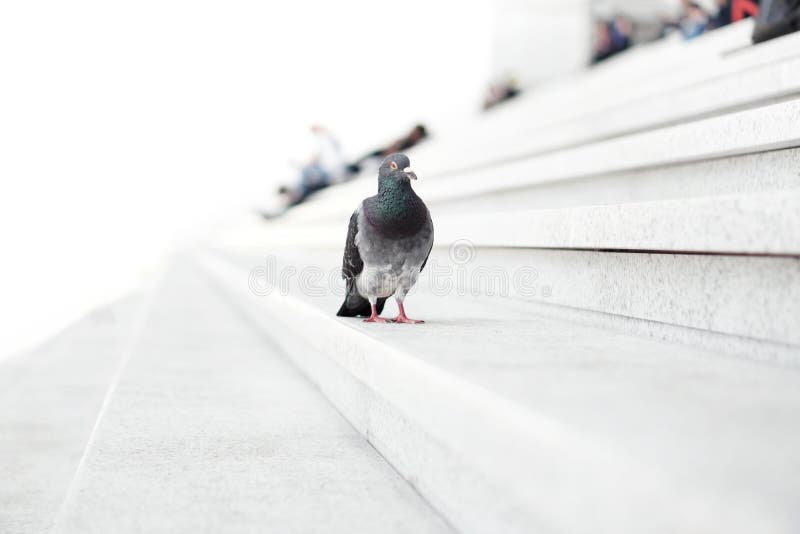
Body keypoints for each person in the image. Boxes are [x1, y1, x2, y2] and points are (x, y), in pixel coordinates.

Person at [346, 124, 429, 174]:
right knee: (360, 164)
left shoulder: (410, 144)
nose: (413, 132)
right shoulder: (406, 139)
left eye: (416, 132)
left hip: (382, 159)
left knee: (361, 168)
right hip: (380, 155)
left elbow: (393, 151)